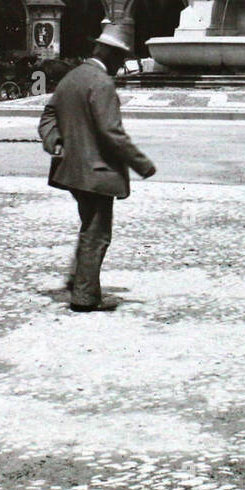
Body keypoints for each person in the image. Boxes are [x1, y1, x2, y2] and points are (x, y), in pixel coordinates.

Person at [38, 22, 156, 313]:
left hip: (71, 170)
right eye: (119, 56)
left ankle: (78, 280)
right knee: (97, 233)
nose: (121, 62)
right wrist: (141, 163)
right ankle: (85, 297)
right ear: (108, 54)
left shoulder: (73, 77)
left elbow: (48, 114)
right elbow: (111, 132)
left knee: (89, 225)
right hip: (97, 171)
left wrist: (54, 140)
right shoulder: (102, 83)